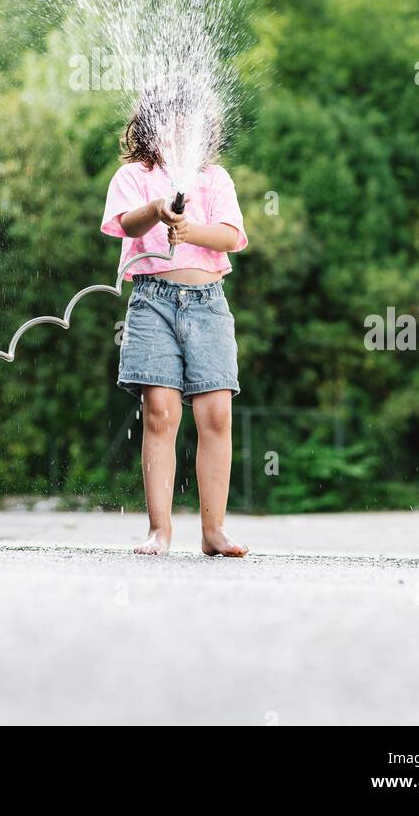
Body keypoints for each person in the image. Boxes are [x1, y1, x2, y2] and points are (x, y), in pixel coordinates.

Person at [101, 91, 248, 556]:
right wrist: (158, 210)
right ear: (151, 127)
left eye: (190, 123)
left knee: (216, 414)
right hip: (152, 302)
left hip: (208, 304)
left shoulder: (215, 178)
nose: (181, 131)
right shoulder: (133, 177)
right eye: (171, 121)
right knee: (161, 412)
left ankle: (213, 531)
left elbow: (230, 235)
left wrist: (188, 230)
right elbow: (127, 224)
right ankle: (159, 530)